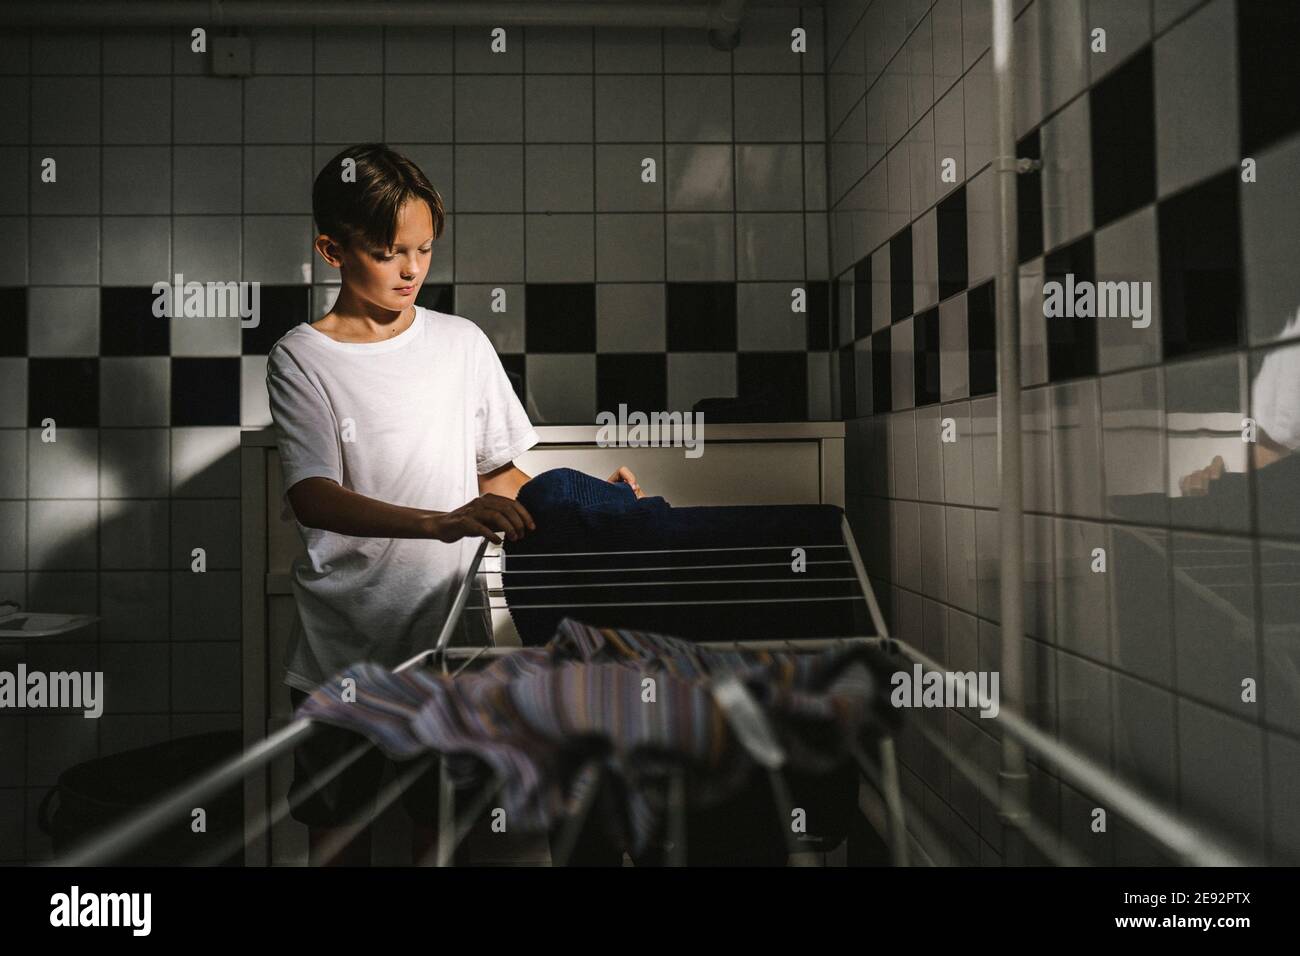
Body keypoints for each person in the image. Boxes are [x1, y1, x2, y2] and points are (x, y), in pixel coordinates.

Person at [266, 143, 644, 866]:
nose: (411, 269)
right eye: (387, 252)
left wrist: (603, 508)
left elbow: (500, 478)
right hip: (341, 655)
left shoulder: (460, 344)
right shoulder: (302, 358)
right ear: (330, 250)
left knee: (439, 838)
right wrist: (441, 521)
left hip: (447, 648)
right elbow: (315, 495)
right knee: (337, 838)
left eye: (424, 250)